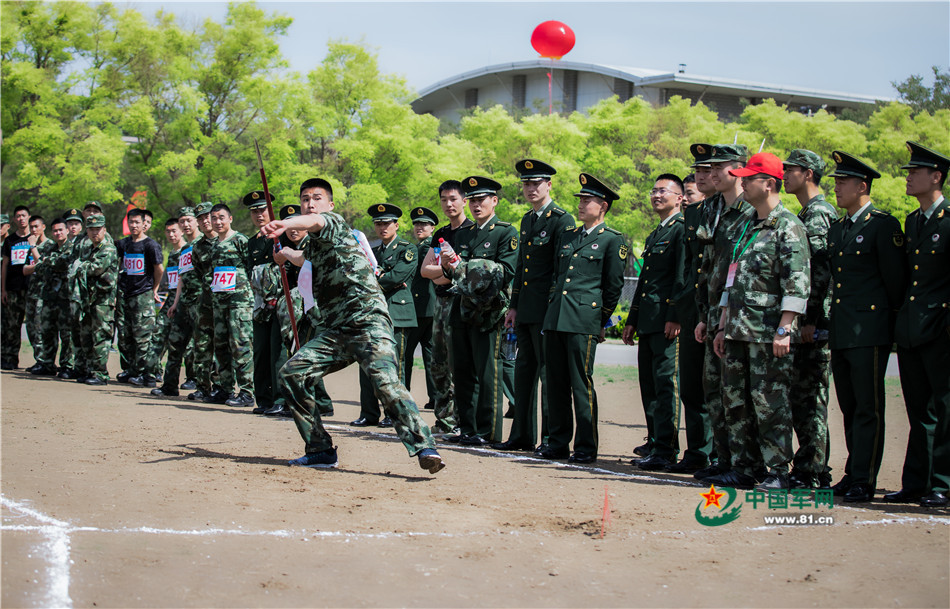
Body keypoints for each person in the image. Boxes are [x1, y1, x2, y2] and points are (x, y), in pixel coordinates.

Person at [262, 177, 444, 473]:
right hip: (338, 330)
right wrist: (284, 254)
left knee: (385, 383)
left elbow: (316, 220)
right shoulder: (314, 245)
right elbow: (303, 256)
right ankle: (320, 449)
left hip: (369, 322)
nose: (310, 203)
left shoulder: (333, 223)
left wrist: (285, 223)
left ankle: (424, 445)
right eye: (305, 198)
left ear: (329, 205)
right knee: (291, 374)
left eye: (316, 198)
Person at [708, 153, 811, 491]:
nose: (743, 182)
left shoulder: (788, 226)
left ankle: (778, 470)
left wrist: (785, 328)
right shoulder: (748, 225)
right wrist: (723, 323)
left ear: (768, 183)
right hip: (737, 328)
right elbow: (732, 278)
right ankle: (745, 466)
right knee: (735, 401)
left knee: (770, 405)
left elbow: (797, 282)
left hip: (767, 333)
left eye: (749, 178)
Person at [826, 151, 906, 503]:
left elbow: (895, 284)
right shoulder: (840, 228)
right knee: (849, 405)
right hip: (843, 329)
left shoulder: (882, 225)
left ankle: (865, 477)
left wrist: (885, 327)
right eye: (836, 182)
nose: (837, 188)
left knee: (867, 408)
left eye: (843, 182)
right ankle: (852, 471)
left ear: (862, 185)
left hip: (870, 330)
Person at [539, 173, 626, 463]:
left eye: (587, 200)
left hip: (583, 320)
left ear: (602, 205)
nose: (581, 204)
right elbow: (557, 277)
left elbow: (613, 287)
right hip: (556, 318)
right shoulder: (569, 236)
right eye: (580, 200)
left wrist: (599, 320)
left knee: (580, 384)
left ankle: (586, 446)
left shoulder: (612, 240)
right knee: (555, 383)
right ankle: (557, 442)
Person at [495, 159, 575, 454]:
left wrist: (552, 308)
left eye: (536, 183)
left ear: (549, 184)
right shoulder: (527, 220)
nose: (530, 188)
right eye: (526, 184)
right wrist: (514, 306)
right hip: (526, 309)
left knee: (549, 376)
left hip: (546, 309)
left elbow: (560, 269)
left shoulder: (561, 220)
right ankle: (521, 435)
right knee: (524, 373)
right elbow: (521, 269)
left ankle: (551, 439)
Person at [890, 141, 950, 508]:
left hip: (941, 328)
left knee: (945, 409)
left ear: (936, 177)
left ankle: (941, 482)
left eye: (915, 173)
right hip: (913, 328)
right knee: (918, 411)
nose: (909, 178)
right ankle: (916, 481)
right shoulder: (913, 222)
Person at [437, 176, 518, 446]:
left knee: (488, 375)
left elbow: (504, 273)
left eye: (481, 199)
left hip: (489, 313)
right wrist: (451, 266)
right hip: (461, 310)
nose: (475, 205)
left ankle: (488, 432)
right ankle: (468, 428)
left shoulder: (505, 232)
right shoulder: (465, 232)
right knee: (462, 373)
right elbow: (452, 272)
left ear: (494, 201)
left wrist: (463, 268)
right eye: (471, 200)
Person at [692, 144, 753, 482]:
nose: (712, 173)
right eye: (709, 168)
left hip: (740, 315)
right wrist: (705, 315)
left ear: (740, 169)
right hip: (715, 311)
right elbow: (708, 268)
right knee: (714, 390)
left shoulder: (749, 210)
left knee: (737, 393)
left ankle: (744, 463)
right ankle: (724, 458)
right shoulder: (714, 208)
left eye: (720, 167)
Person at [623, 174, 688, 471]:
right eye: (654, 190)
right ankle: (655, 440)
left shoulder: (681, 230)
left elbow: (680, 277)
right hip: (648, 321)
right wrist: (632, 319)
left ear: (679, 197)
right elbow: (646, 282)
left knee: (665, 385)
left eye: (664, 191)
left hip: (665, 321)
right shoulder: (656, 233)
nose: (656, 195)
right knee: (648, 385)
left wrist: (675, 315)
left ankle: (666, 447)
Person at [783, 149, 838, 489]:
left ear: (807, 173)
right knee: (801, 398)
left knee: (810, 398)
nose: (785, 176)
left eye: (790, 171)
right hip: (808, 322)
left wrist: (810, 319)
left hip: (813, 324)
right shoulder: (807, 212)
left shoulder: (818, 214)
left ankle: (812, 471)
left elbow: (819, 272)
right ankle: (811, 467)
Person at [668, 145, 718, 474]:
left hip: (719, 311)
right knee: (690, 388)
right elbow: (689, 270)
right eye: (697, 171)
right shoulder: (693, 214)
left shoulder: (731, 210)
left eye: (706, 171)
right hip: (694, 311)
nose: (700, 176)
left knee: (716, 389)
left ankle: (715, 454)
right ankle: (697, 451)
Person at [352, 203, 418, 427]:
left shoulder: (407, 249)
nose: (382, 227)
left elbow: (396, 277)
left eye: (386, 223)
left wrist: (377, 275)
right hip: (372, 314)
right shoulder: (372, 251)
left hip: (397, 313)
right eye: (378, 224)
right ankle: (368, 413)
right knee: (366, 363)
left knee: (395, 366)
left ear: (396, 225)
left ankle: (395, 413)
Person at [420, 181, 475, 434]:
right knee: (438, 363)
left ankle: (463, 421)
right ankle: (444, 419)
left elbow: (467, 275)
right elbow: (425, 270)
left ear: (464, 200)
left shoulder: (474, 231)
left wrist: (443, 273)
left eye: (453, 199)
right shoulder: (440, 233)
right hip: (441, 304)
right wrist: (447, 270)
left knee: (459, 365)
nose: (448, 204)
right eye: (443, 199)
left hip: (462, 304)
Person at [152, 207, 202, 397]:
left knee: (201, 347)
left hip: (199, 302)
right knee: (175, 344)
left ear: (196, 221)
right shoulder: (183, 250)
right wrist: (175, 303)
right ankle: (169, 385)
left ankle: (203, 386)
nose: (186, 225)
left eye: (189, 220)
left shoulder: (204, 244)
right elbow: (181, 277)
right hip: (183, 303)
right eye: (182, 222)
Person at [209, 203, 255, 407]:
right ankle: (224, 388)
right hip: (219, 303)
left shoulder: (240, 240)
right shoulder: (213, 245)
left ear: (230, 219)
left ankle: (247, 391)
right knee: (221, 346)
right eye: (214, 218)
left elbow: (250, 267)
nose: (217, 222)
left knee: (241, 346)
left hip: (240, 303)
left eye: (221, 217)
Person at [244, 190, 284, 414]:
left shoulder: (280, 236)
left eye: (263, 210)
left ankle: (280, 400)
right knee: (260, 351)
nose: (259, 215)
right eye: (255, 211)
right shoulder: (253, 242)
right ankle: (264, 399)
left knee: (277, 351)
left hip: (278, 303)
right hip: (260, 304)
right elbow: (251, 271)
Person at [114, 208, 164, 386]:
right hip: (125, 295)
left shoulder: (150, 245)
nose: (134, 225)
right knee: (126, 336)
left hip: (143, 295)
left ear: (144, 223)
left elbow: (159, 269)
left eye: (137, 222)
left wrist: (154, 288)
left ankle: (148, 373)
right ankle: (131, 370)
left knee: (143, 337)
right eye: (131, 222)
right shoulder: (124, 244)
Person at [189, 202, 227, 403]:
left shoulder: (229, 241)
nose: (205, 222)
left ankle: (221, 386)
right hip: (205, 302)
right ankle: (202, 387)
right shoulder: (197, 247)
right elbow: (197, 274)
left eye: (208, 217)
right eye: (201, 219)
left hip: (226, 302)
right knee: (202, 345)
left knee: (223, 345)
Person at [75, 214, 118, 386]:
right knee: (87, 336)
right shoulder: (89, 249)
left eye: (98, 229)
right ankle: (90, 370)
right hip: (89, 300)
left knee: (101, 337)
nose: (95, 233)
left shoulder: (107, 248)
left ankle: (100, 374)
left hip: (103, 301)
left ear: (104, 230)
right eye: (91, 229)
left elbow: (95, 268)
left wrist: (81, 266)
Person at [404, 206, 439, 410]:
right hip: (430, 308)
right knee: (430, 355)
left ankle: (404, 395)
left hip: (419, 309)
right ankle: (435, 397)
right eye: (417, 224)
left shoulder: (425, 248)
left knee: (406, 353)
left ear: (432, 228)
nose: (419, 227)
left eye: (424, 224)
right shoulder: (429, 247)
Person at [24, 217, 68, 375]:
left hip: (63, 296)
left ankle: (66, 366)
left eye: (60, 230)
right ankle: (45, 363)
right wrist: (40, 264)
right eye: (55, 230)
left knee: (64, 332)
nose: (34, 230)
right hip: (45, 293)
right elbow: (29, 268)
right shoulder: (51, 248)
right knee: (44, 330)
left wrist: (36, 254)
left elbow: (48, 265)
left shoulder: (56, 246)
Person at [149, 217, 187, 383]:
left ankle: (192, 378)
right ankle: (152, 372)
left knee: (187, 344)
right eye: (168, 231)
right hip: (169, 300)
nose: (171, 235)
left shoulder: (187, 251)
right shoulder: (172, 254)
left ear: (182, 231)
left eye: (174, 231)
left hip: (184, 302)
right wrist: (156, 290)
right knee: (158, 334)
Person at [1, 206, 33, 369]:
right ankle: (9, 358)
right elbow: (5, 265)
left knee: (34, 326)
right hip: (12, 289)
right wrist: (3, 290)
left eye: (23, 215)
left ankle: (42, 361)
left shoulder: (35, 238)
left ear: (29, 217)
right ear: (14, 220)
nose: (21, 218)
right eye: (18, 216)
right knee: (11, 325)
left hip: (31, 289)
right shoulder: (10, 240)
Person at [23, 215, 48, 361]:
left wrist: (33, 248)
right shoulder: (30, 246)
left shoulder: (50, 245)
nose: (33, 230)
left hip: (44, 293)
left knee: (40, 329)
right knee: (30, 328)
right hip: (31, 291)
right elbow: (25, 270)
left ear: (43, 227)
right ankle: (37, 360)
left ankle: (43, 361)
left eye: (36, 226)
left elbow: (45, 267)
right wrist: (37, 265)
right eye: (31, 227)